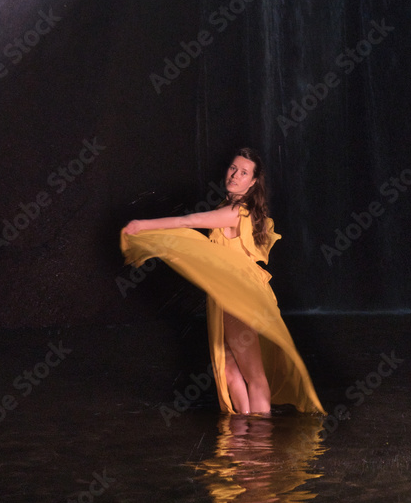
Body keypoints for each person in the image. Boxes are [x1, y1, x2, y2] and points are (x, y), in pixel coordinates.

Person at [121, 148, 324, 416]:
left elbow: (189, 221)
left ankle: (261, 445)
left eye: (244, 173)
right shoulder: (232, 209)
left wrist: (143, 225)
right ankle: (244, 437)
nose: (235, 175)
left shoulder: (236, 211)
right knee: (229, 371)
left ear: (253, 183)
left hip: (240, 293)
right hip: (230, 293)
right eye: (233, 168)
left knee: (254, 374)